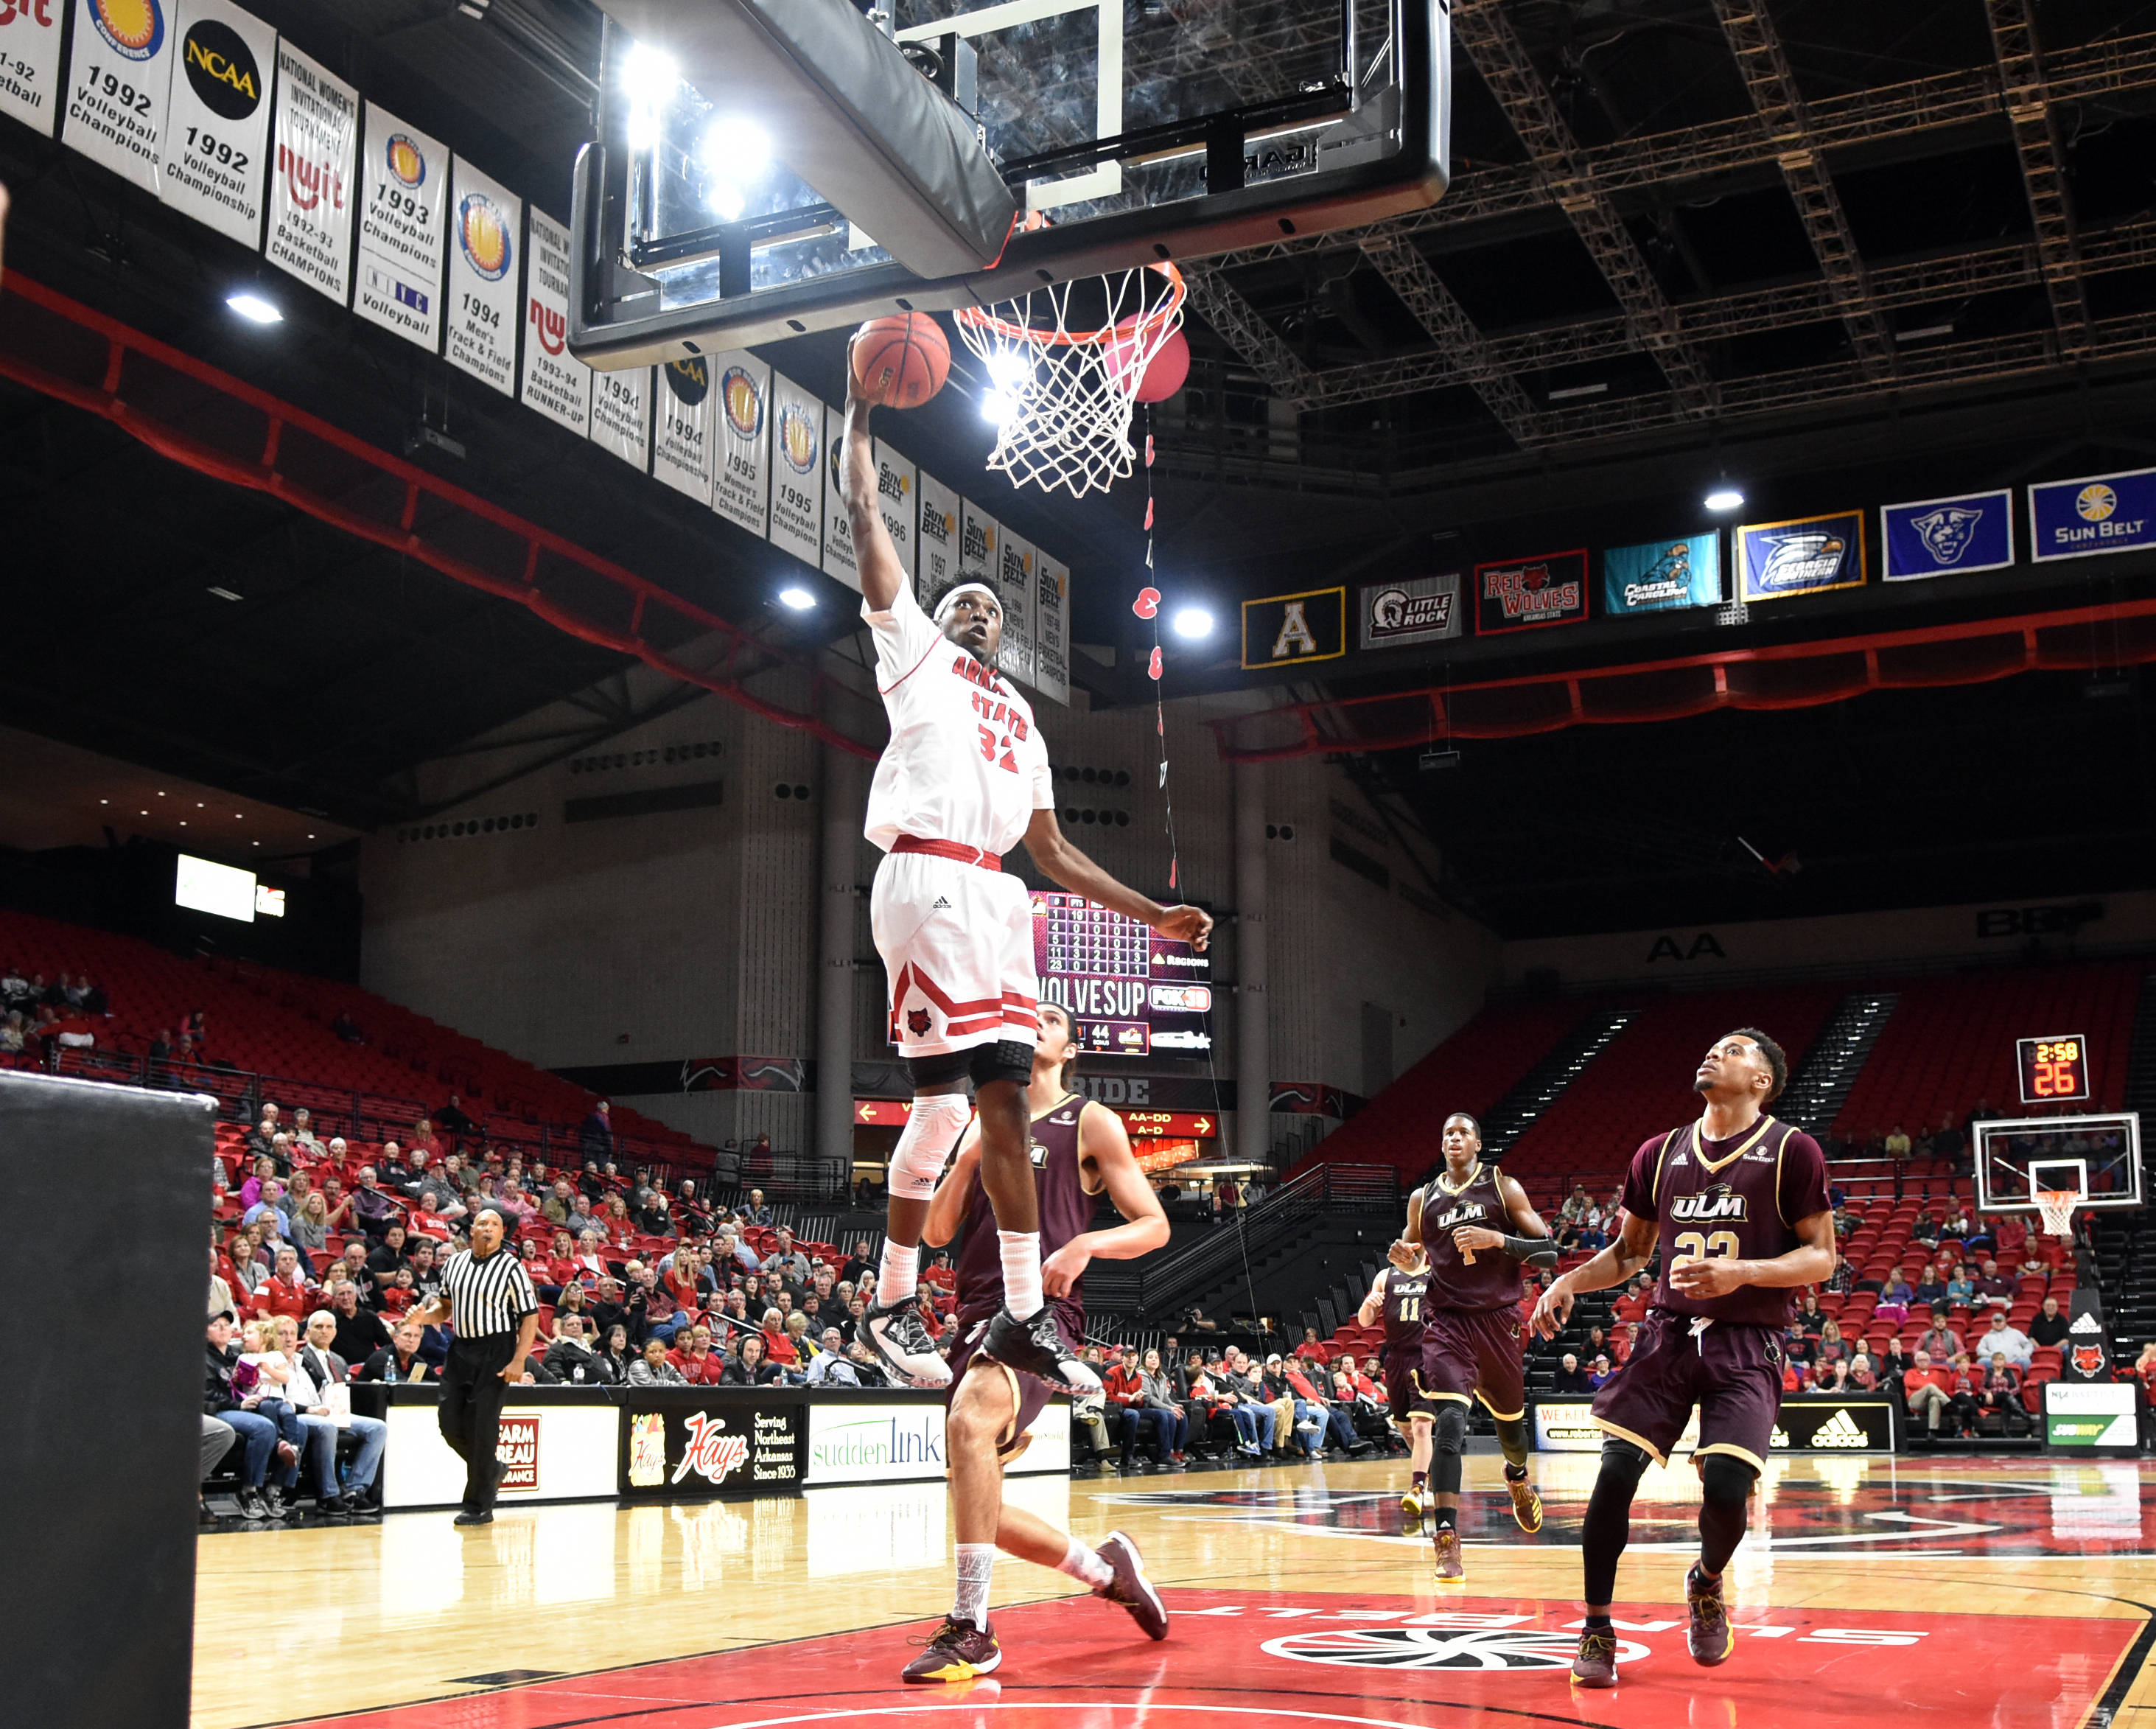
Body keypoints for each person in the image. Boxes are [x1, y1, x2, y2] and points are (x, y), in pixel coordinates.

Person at [841, 366, 1210, 1404]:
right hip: (923, 873)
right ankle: (927, 1303)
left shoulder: (1023, 719)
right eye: (961, 600)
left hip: (999, 894)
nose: (975, 612)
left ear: (1007, 636)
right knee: (972, 1099)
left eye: (989, 610)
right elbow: (867, 519)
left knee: (974, 1103)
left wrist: (1150, 913)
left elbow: (1052, 850)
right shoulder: (911, 652)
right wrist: (861, 417)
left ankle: (989, 1311)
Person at [1532, 1028, 1833, 1688]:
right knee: (1614, 1473)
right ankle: (1597, 1626)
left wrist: (1743, 1273)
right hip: (1666, 1335)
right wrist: (1566, 1281)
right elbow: (1631, 1253)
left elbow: (1822, 1255)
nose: (1713, 1053)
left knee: (1728, 1487)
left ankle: (1707, 1579)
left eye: (1733, 1050)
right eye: (1713, 1046)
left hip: (1747, 1341)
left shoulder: (1792, 1150)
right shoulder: (1660, 1151)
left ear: (1762, 1080)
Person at [906, 1000, 1170, 1681]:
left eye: (1050, 1019)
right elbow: (936, 1233)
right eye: (1030, 1017)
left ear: (1070, 1049)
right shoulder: (983, 1121)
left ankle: (973, 1629)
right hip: (973, 1312)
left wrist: (1086, 1243)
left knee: (968, 1423)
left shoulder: (1089, 1120)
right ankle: (1104, 1569)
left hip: (1040, 1314)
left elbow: (1154, 1225)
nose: (1036, 1023)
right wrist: (964, 1160)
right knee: (977, 1505)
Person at [1393, 1111, 1555, 1580]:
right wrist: (1402, 1256)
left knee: (1512, 1433)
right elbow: (1409, 1254)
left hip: (1498, 1320)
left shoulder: (1505, 1189)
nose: (1454, 1139)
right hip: (1446, 1322)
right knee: (1449, 1423)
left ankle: (1518, 1478)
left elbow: (1547, 1250)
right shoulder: (1423, 1199)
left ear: (1478, 1144)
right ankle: (1447, 1538)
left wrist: (1498, 1240)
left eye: (1463, 1132)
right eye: (1447, 1133)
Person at [405, 1207, 540, 1526]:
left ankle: (478, 1505)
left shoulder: (511, 1267)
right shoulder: (453, 1264)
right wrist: (423, 1318)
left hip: (497, 1348)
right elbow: (445, 1308)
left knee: (483, 1427)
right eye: (483, 1223)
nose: (488, 1229)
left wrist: (519, 1359)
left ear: (502, 1233)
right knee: (448, 1422)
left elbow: (530, 1316)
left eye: (495, 1225)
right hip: (461, 1347)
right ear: (472, 1231)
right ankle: (491, 1469)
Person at [1357, 1247, 1440, 1515]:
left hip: (1426, 1356)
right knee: (1405, 1428)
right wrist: (1369, 1305)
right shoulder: (1386, 1276)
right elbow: (1364, 1321)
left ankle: (1417, 1486)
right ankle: (1432, 1473)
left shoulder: (1436, 1274)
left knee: (1422, 1427)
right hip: (1395, 1357)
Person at [286, 1311, 388, 1512]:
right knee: (328, 1426)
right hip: (313, 1411)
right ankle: (328, 1494)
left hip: (337, 1411)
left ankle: (354, 1489)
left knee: (377, 1428)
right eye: (319, 1327)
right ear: (307, 1333)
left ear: (335, 1332)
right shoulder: (300, 1359)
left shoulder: (339, 1361)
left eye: (329, 1327)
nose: (324, 1331)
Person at [357, 1318, 438, 1384]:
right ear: (395, 1338)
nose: (411, 1340)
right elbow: (400, 1384)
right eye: (407, 1335)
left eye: (417, 1336)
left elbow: (438, 1381)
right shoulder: (381, 1358)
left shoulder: (417, 1361)